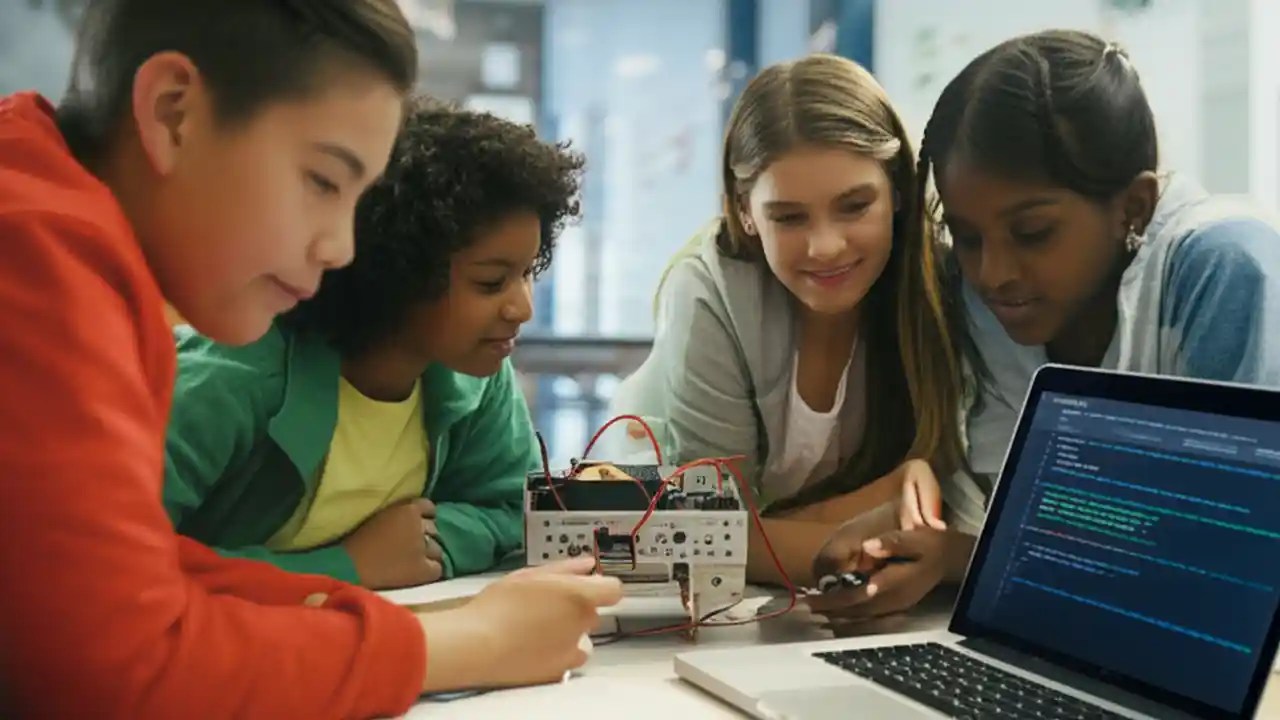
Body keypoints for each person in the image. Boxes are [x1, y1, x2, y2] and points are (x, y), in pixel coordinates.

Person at [0, 2, 619, 717]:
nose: (342, 249)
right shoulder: (36, 260)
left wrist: (430, 625)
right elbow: (116, 662)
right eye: (323, 181)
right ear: (175, 115)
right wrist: (460, 646)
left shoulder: (83, 254)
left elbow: (131, 583)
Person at [810, 29, 1280, 634]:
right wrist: (942, 554)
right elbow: (1025, 527)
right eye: (968, 236)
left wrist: (971, 558)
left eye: (1033, 233)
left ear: (1134, 207)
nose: (994, 274)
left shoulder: (1224, 268)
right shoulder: (981, 302)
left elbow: (1220, 564)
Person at [164, 99, 584, 591]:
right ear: (399, 270)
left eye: (527, 274)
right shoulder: (231, 378)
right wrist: (344, 567)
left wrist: (432, 543)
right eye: (491, 283)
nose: (523, 309)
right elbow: (105, 565)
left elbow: (516, 507)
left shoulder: (474, 376)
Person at [608, 53, 970, 586]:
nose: (825, 246)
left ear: (896, 190)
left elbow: (969, 522)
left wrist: (776, 533)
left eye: (854, 207)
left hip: (819, 602)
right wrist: (885, 501)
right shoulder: (708, 292)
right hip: (677, 591)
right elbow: (708, 539)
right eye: (789, 217)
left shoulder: (941, 285)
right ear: (746, 211)